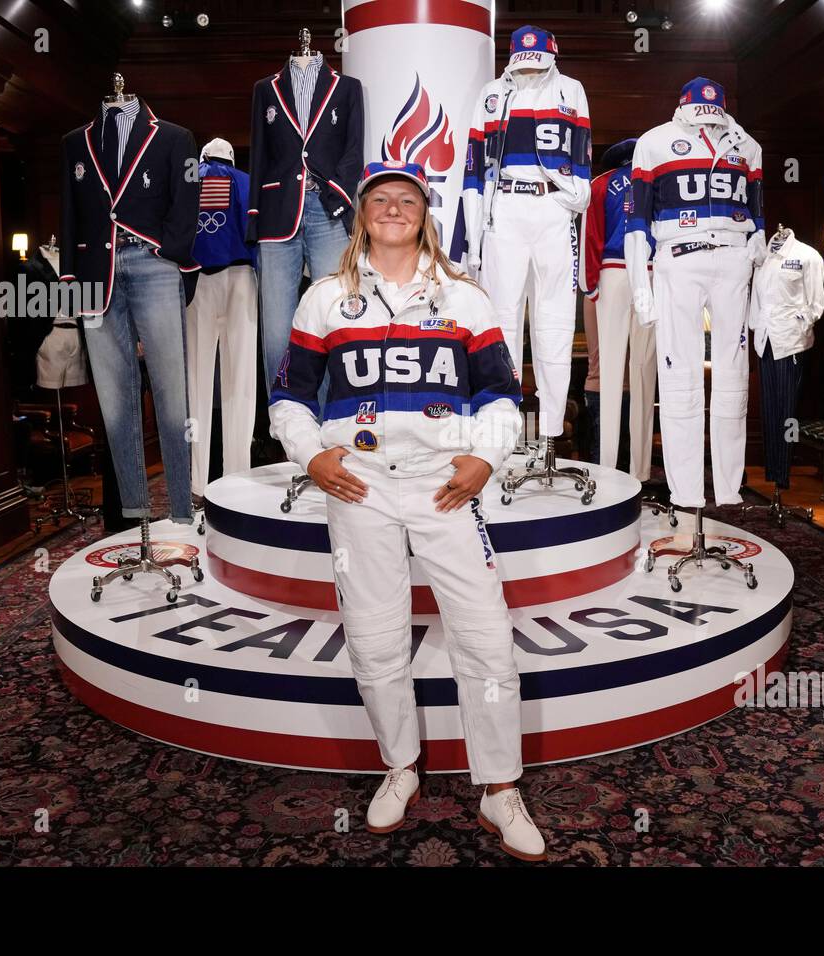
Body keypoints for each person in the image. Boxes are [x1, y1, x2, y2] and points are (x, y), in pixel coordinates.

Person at [269, 161, 546, 861]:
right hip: (357, 488)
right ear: (361, 216)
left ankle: (500, 788)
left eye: (407, 200)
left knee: (484, 636)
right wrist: (311, 456)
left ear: (426, 214)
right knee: (372, 635)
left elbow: (501, 394)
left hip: (443, 486)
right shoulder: (324, 299)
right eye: (380, 200)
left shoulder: (465, 298)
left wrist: (485, 458)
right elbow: (291, 394)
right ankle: (400, 766)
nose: (394, 208)